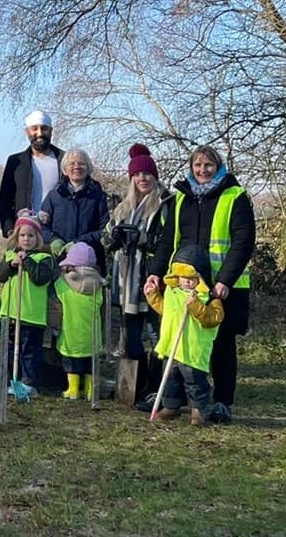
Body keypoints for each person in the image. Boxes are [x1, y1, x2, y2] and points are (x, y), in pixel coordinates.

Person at [147, 145, 254, 421]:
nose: (202, 170)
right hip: (183, 284)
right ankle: (176, 401)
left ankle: (221, 403)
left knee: (220, 345)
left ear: (217, 167)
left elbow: (243, 242)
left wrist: (225, 280)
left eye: (208, 165)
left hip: (221, 286)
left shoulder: (235, 196)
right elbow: (168, 238)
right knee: (181, 342)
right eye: (197, 165)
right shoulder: (180, 197)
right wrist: (156, 272)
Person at [103, 144, 172, 406]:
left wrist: (142, 239)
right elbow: (105, 237)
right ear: (131, 178)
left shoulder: (166, 204)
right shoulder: (123, 208)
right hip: (126, 280)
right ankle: (136, 386)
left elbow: (168, 240)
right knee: (130, 338)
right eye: (137, 174)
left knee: (157, 336)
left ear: (154, 176)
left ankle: (157, 388)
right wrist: (114, 237)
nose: (142, 178)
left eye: (147, 174)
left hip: (153, 279)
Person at [145, 246, 225, 425]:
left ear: (200, 277)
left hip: (194, 351)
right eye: (183, 278)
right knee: (171, 380)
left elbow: (213, 319)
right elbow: (166, 311)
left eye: (191, 278)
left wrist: (196, 306)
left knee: (195, 383)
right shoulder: (173, 293)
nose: (187, 282)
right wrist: (152, 295)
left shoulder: (209, 298)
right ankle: (171, 406)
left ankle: (199, 411)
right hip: (173, 347)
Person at [0, 211, 59, 395]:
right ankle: (10, 379)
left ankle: (28, 381)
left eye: (30, 235)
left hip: (31, 315)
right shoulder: (9, 256)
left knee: (29, 351)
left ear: (37, 237)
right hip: (10, 313)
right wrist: (11, 265)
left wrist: (27, 261)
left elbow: (40, 278)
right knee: (10, 348)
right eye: (22, 235)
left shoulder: (44, 258)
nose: (26, 239)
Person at [40, 148, 110, 270]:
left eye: (81, 163)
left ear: (88, 168)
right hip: (59, 261)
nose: (76, 167)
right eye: (72, 164)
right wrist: (52, 240)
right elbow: (42, 225)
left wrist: (79, 242)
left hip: (89, 262)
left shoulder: (98, 197)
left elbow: (104, 230)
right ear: (65, 170)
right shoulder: (54, 196)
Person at [0, 110, 64, 237]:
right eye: (34, 129)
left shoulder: (64, 160)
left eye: (44, 128)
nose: (39, 133)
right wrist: (9, 230)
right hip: (25, 234)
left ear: (51, 131)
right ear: (27, 132)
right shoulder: (15, 162)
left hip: (57, 233)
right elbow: (5, 200)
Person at [53, 242, 106, 400]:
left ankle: (73, 389)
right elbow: (102, 308)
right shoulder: (99, 286)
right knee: (90, 365)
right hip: (93, 336)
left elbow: (55, 309)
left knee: (71, 364)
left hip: (70, 335)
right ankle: (90, 391)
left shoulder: (61, 284)